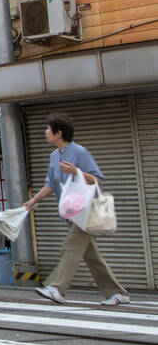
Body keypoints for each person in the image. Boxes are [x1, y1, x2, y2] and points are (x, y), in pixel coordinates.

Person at [23, 113, 129, 306]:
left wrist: (76, 172)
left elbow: (96, 179)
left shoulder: (79, 152)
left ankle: (57, 288)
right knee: (91, 256)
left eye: (48, 129)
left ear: (59, 133)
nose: (45, 132)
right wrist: (32, 201)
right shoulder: (54, 156)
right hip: (72, 214)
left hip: (87, 211)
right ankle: (118, 293)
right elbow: (51, 185)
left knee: (70, 247)